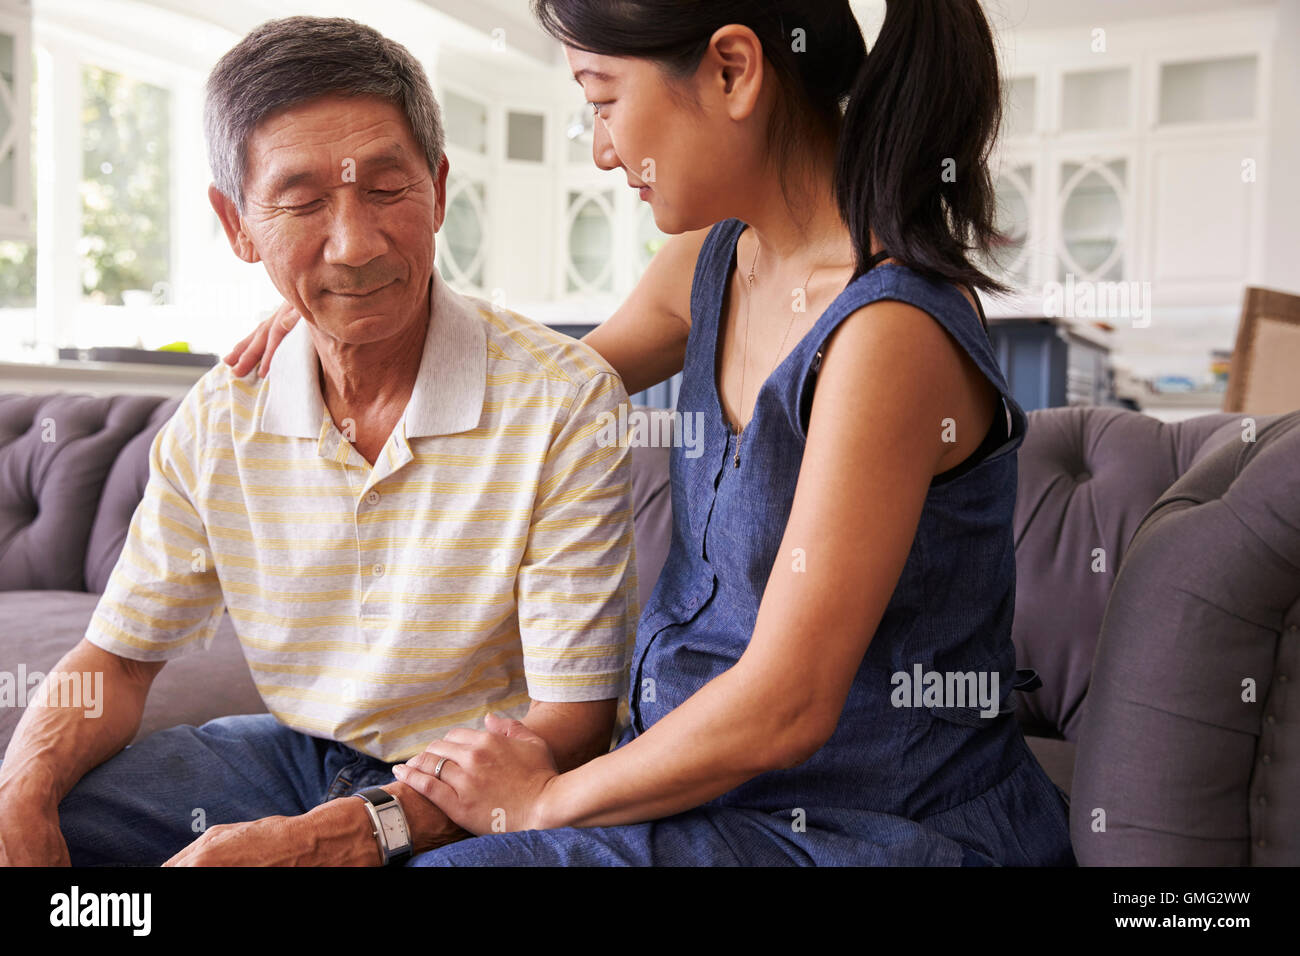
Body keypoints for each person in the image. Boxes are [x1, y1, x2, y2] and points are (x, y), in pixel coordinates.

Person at [224, 0, 1076, 866]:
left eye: (602, 100)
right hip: (693, 791)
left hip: (864, 828)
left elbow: (789, 704)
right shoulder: (714, 259)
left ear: (734, 71)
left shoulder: (889, 333)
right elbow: (531, 394)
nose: (601, 148)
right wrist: (346, 319)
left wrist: (546, 799)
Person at [0, 16, 639, 867]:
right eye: (302, 202)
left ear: (440, 190)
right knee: (52, 821)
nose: (356, 245)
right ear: (237, 224)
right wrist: (24, 791)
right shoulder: (219, 419)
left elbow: (573, 723)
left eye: (386, 189)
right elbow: (115, 662)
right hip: (290, 756)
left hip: (485, 789)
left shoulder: (562, 401)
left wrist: (343, 836)